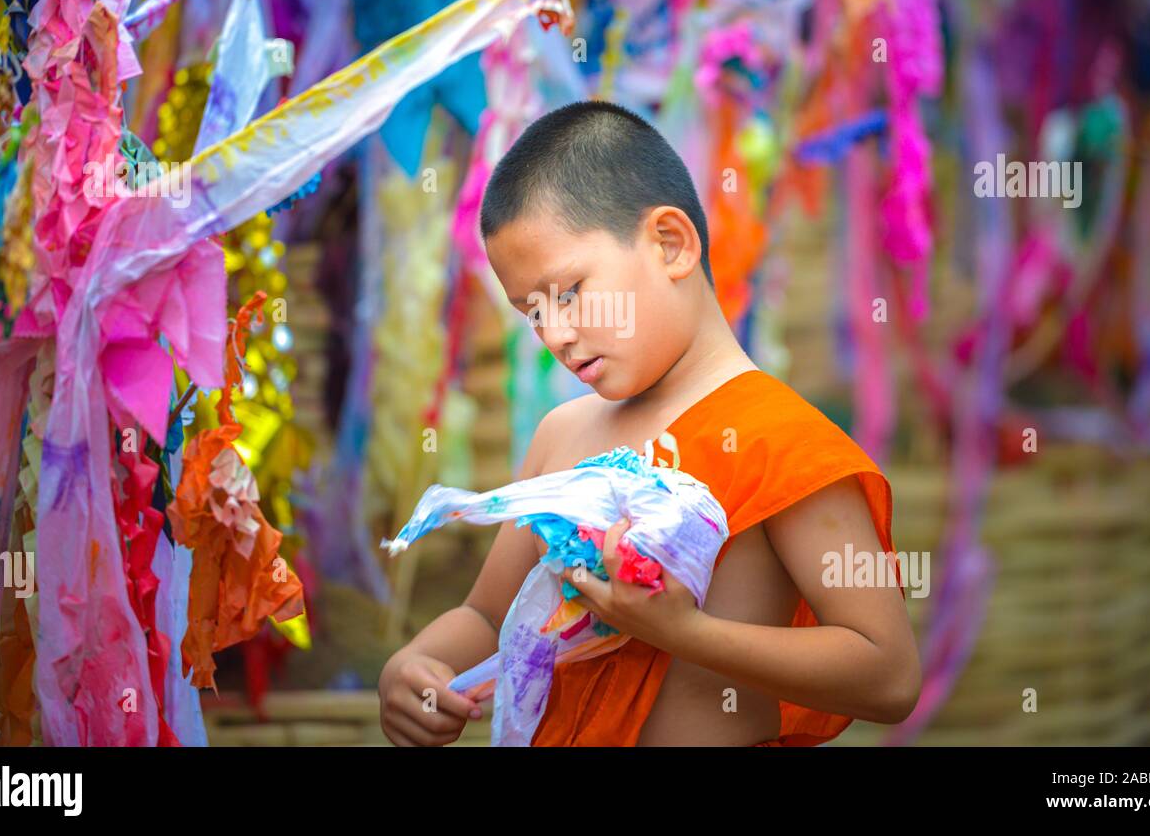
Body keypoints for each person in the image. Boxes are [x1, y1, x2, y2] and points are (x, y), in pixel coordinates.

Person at [379, 100, 920, 745]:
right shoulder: (564, 434)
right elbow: (486, 614)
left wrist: (685, 634)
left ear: (670, 244)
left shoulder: (780, 439)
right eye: (531, 312)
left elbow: (888, 674)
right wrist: (415, 665)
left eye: (569, 292)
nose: (554, 333)